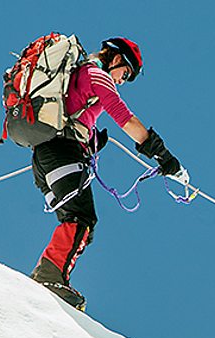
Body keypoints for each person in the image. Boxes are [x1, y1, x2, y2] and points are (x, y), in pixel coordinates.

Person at [29, 37, 187, 310]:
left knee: (78, 221)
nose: (123, 81)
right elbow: (126, 119)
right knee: (81, 218)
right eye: (125, 73)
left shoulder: (81, 75)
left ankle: (50, 274)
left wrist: (89, 141)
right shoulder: (98, 75)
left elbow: (74, 114)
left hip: (47, 155)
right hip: (60, 152)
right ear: (116, 59)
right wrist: (162, 155)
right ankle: (49, 277)